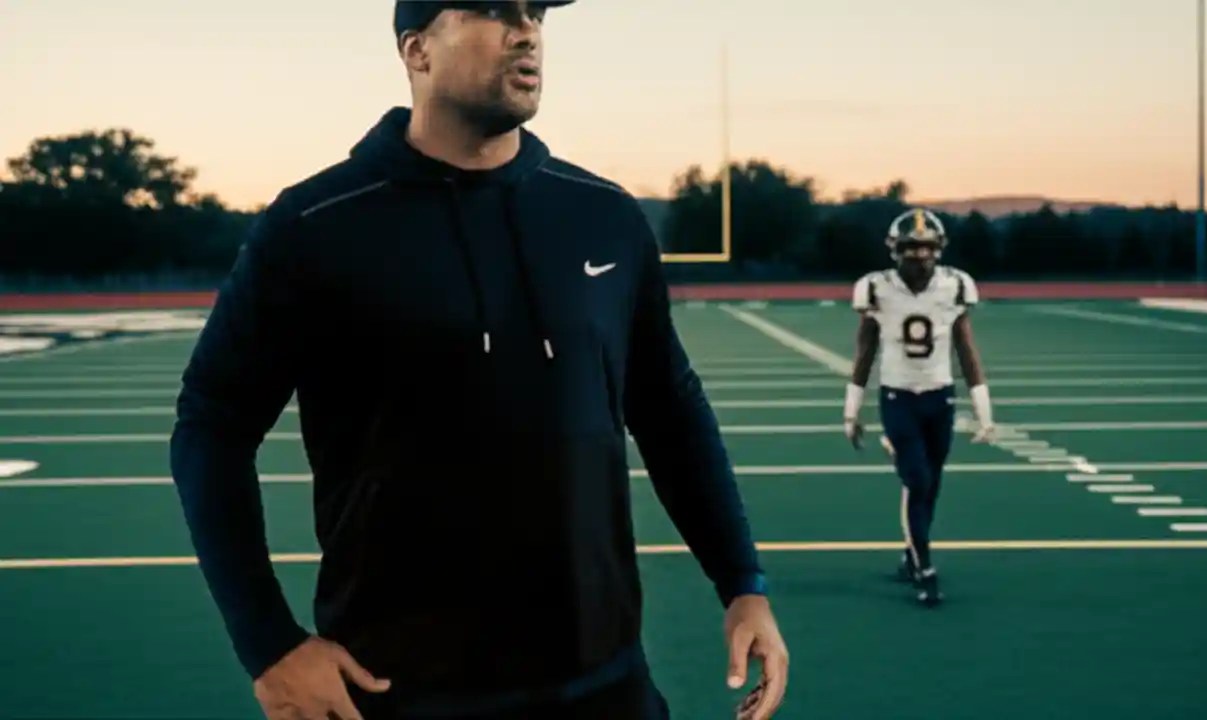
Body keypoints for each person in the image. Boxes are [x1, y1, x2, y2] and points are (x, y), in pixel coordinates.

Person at [168, 1, 788, 718]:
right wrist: (268, 643)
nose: (525, 32)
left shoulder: (604, 215)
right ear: (417, 49)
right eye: (492, 10)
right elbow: (211, 426)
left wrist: (741, 581)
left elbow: (669, 406)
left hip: (605, 682)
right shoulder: (314, 227)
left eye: (534, 13)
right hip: (400, 691)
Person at [841, 208, 995, 607]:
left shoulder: (954, 285)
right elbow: (865, 352)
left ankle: (911, 554)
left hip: (940, 397)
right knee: (918, 481)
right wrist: (851, 410)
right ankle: (924, 567)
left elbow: (966, 348)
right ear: (895, 249)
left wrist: (983, 407)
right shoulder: (877, 288)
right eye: (911, 247)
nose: (919, 255)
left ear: (938, 249)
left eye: (926, 247)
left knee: (930, 486)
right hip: (898, 398)